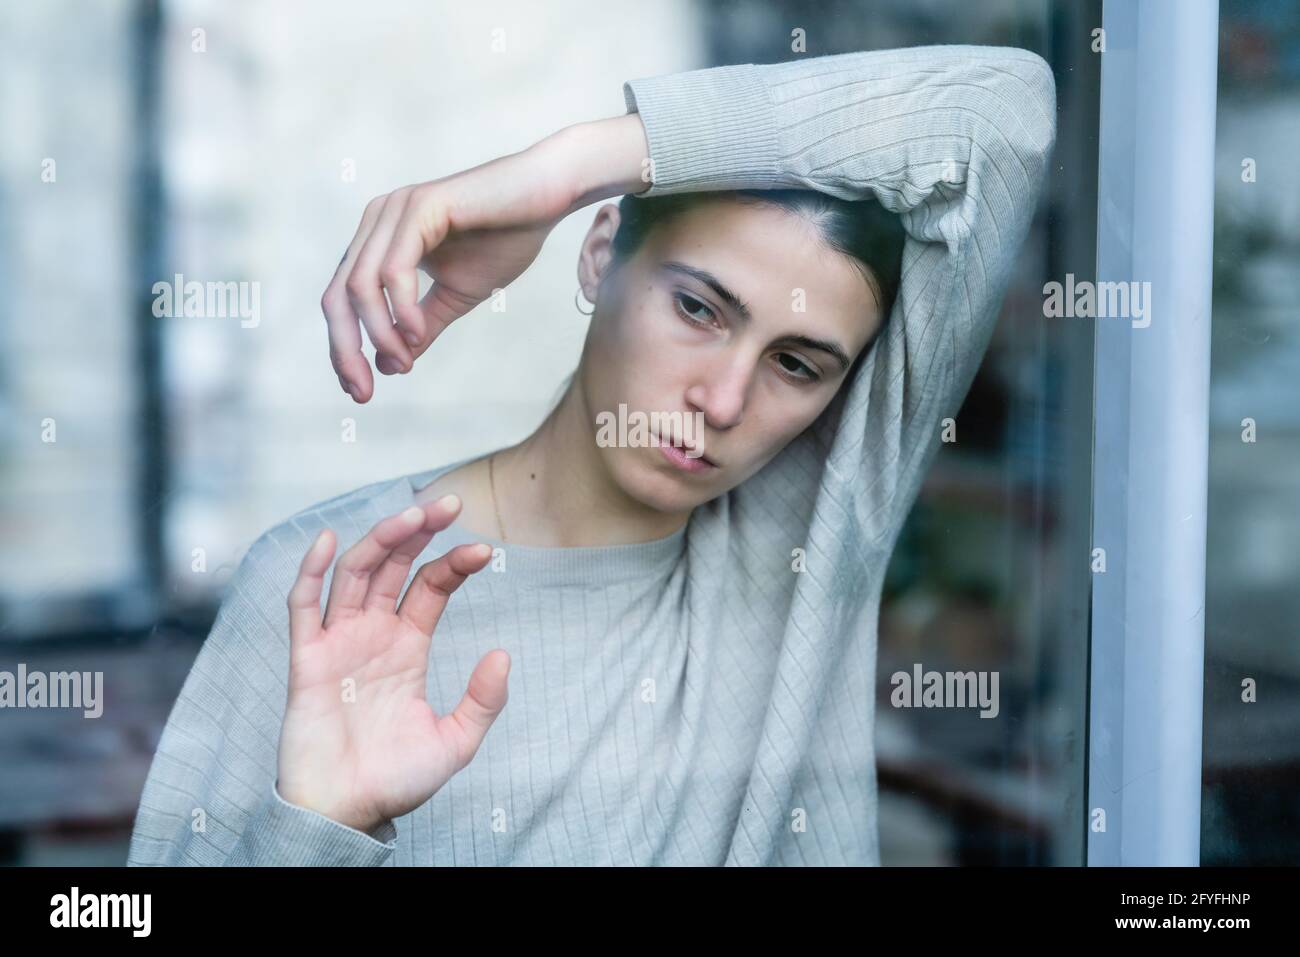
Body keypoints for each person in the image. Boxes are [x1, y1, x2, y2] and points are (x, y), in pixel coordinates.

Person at [127, 43, 1056, 866]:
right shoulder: (320, 587)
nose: (723, 401)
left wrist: (566, 167)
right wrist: (321, 828)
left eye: (796, 364)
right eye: (699, 308)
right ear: (600, 253)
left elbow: (1003, 114)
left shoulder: (807, 532)